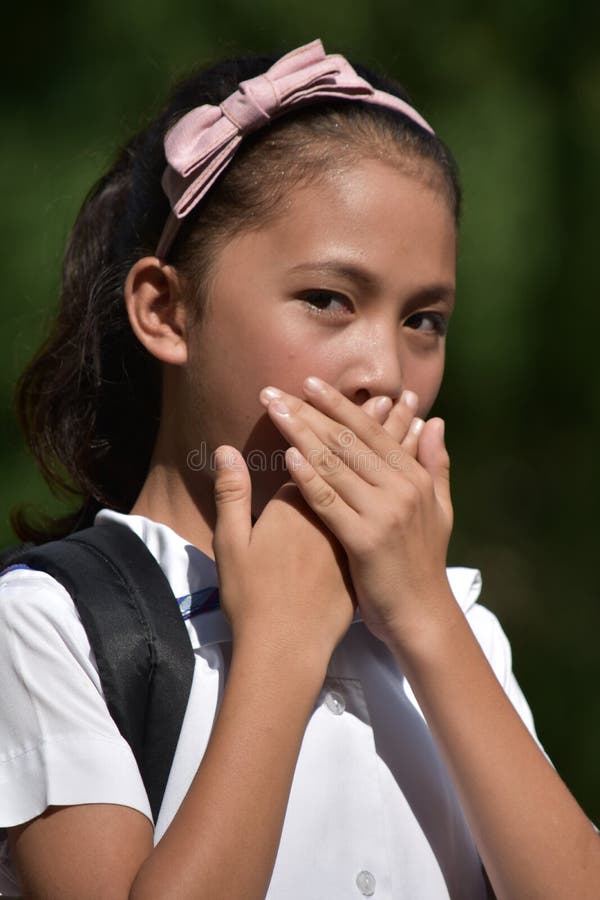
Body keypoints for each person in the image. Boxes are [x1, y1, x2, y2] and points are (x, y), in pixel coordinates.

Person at [0, 38, 597, 900]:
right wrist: (279, 645)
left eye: (424, 320)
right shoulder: (52, 628)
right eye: (328, 299)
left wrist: (425, 615)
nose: (384, 373)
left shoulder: (456, 631)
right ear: (166, 310)